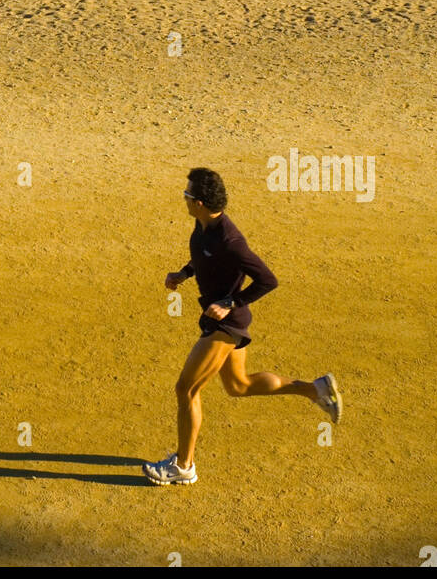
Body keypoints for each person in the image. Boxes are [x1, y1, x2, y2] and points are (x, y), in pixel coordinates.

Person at [142, 167, 342, 486]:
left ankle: (183, 466)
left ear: (200, 203)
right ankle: (314, 389)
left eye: (186, 195)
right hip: (220, 321)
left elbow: (267, 280)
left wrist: (230, 303)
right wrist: (184, 273)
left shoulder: (230, 240)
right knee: (239, 386)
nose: (184, 199)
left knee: (187, 389)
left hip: (227, 325)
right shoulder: (203, 224)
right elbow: (204, 258)